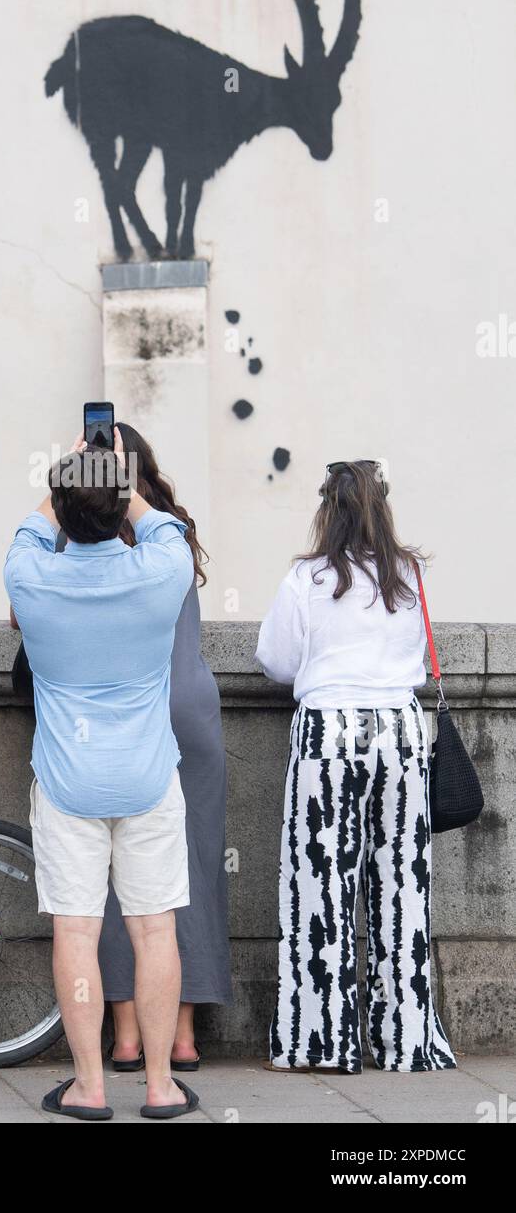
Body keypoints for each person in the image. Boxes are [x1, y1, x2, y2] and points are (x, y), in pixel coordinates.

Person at [4, 430, 198, 1120]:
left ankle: (88, 1085)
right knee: (155, 932)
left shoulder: (30, 576)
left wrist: (75, 478)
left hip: (67, 783)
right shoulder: (161, 572)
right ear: (122, 506)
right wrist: (120, 477)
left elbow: (34, 523)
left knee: (77, 934)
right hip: (148, 779)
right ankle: (159, 1085)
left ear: (59, 503)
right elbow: (162, 525)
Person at [256, 460, 456, 1074]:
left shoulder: (307, 578)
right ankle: (406, 1040)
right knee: (402, 887)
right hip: (399, 731)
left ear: (326, 510)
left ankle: (321, 1039)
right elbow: (421, 657)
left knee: (321, 885)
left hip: (330, 732)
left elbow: (276, 659)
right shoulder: (409, 574)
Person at [98, 423, 230, 1073]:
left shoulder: (87, 533)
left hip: (128, 717)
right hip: (194, 711)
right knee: (193, 872)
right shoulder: (172, 530)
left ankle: (125, 1038)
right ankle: (182, 1037)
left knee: (121, 876)